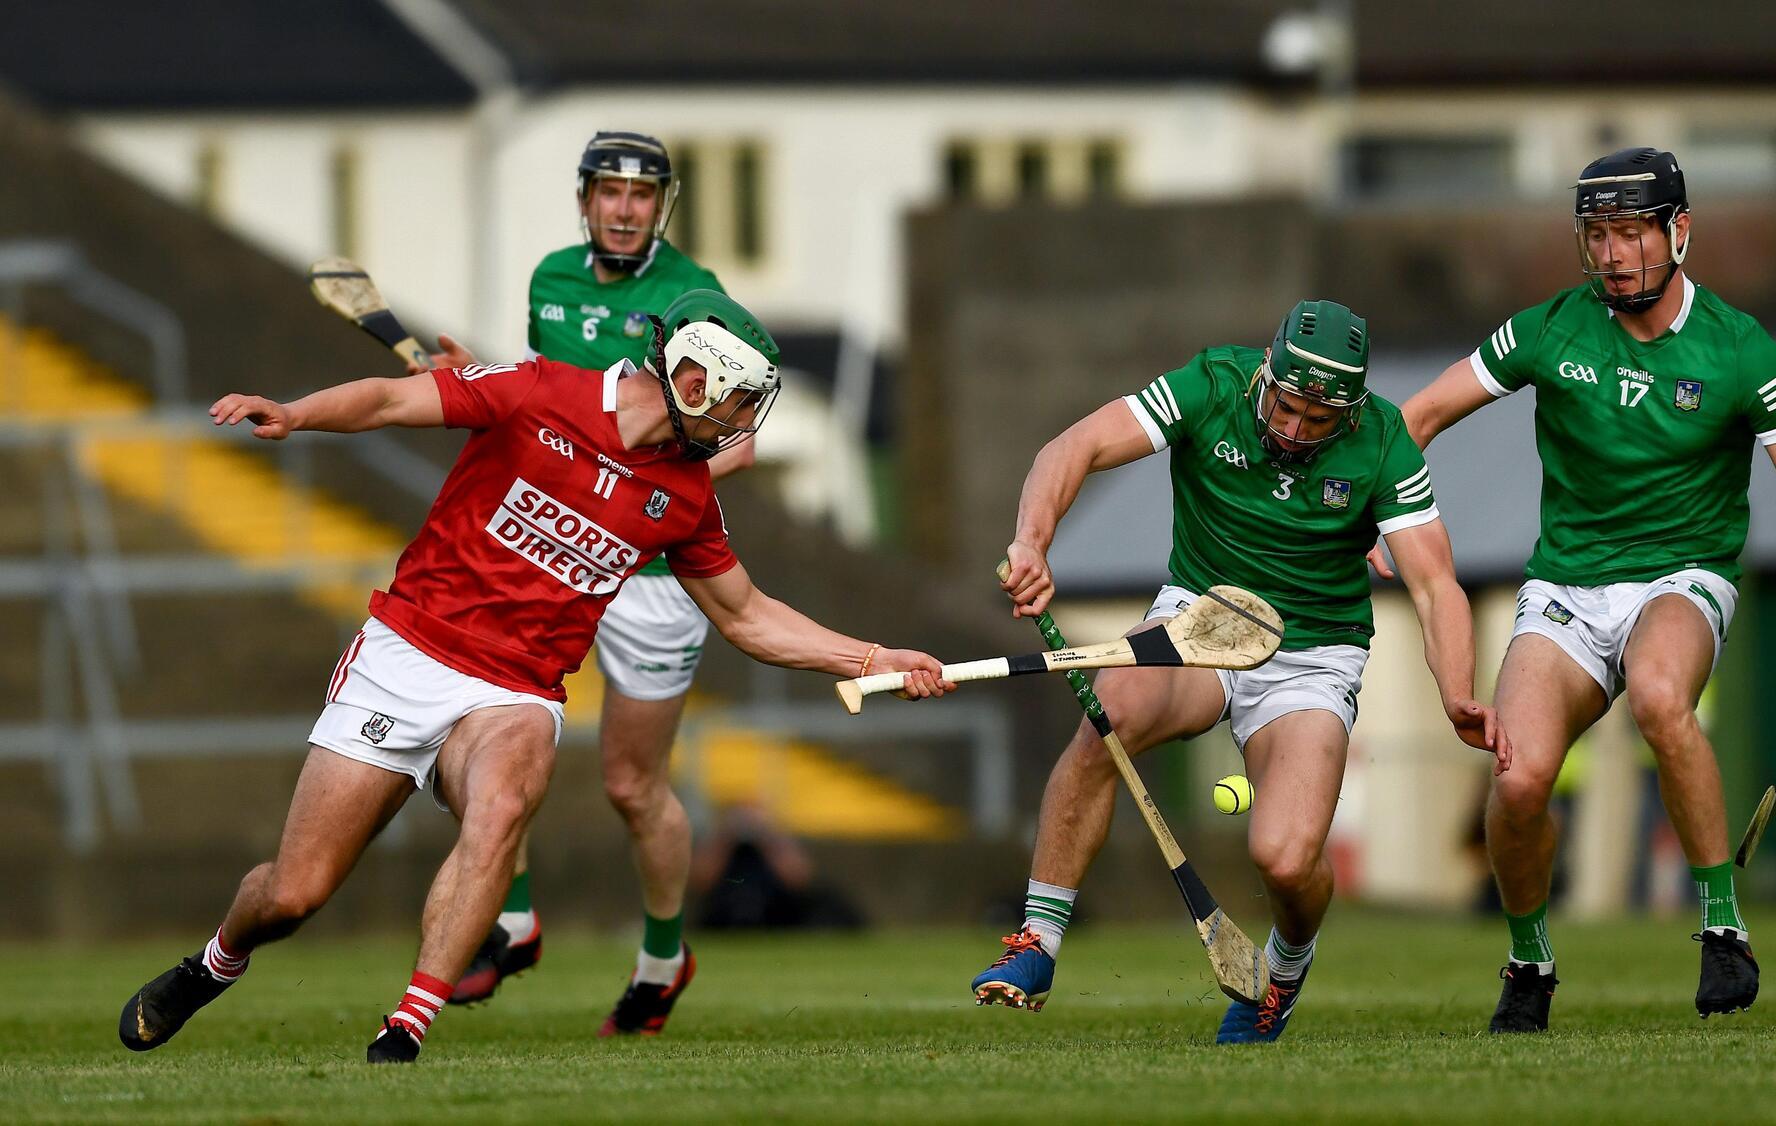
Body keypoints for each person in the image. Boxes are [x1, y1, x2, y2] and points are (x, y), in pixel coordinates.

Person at [117, 290, 950, 1064]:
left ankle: (406, 1028)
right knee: (294, 895)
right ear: (693, 375)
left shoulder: (686, 494)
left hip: (517, 689)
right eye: (737, 402)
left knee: (505, 804)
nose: (740, 425)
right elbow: (388, 400)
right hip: (410, 649)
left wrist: (875, 658)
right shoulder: (538, 390)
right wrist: (295, 414)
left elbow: (748, 616)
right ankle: (214, 964)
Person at [1390, 147, 1776, 1032]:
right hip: (1568, 586)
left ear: (1678, 233)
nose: (1611, 254)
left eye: (1630, 232)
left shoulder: (1739, 348)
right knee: (1520, 777)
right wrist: (1379, 522)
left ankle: (1722, 927)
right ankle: (1529, 963)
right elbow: (1413, 420)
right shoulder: (1547, 329)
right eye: (1597, 234)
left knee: (1658, 693)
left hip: (1684, 576)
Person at [971, 300, 1510, 1043]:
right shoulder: (1212, 385)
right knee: (1111, 714)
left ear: (1348, 415)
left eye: (1318, 421)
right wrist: (1033, 542)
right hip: (1204, 617)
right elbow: (1074, 447)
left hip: (1313, 657)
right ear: (1267, 375)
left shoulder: (1384, 441)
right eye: (1286, 408)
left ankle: (1282, 976)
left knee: (1285, 860)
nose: (1294, 431)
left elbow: (1435, 585)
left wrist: (1456, 693)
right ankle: (1038, 940)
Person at [422, 131, 750, 1037]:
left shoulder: (696, 299)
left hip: (650, 576)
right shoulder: (549, 282)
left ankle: (662, 956)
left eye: (641, 196)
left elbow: (739, 439)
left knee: (630, 787)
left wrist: (642, 504)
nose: (623, 209)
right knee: (478, 737)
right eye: (609, 191)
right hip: (558, 557)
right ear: (584, 198)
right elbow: (554, 409)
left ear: (663, 206)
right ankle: (515, 923)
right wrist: (469, 384)